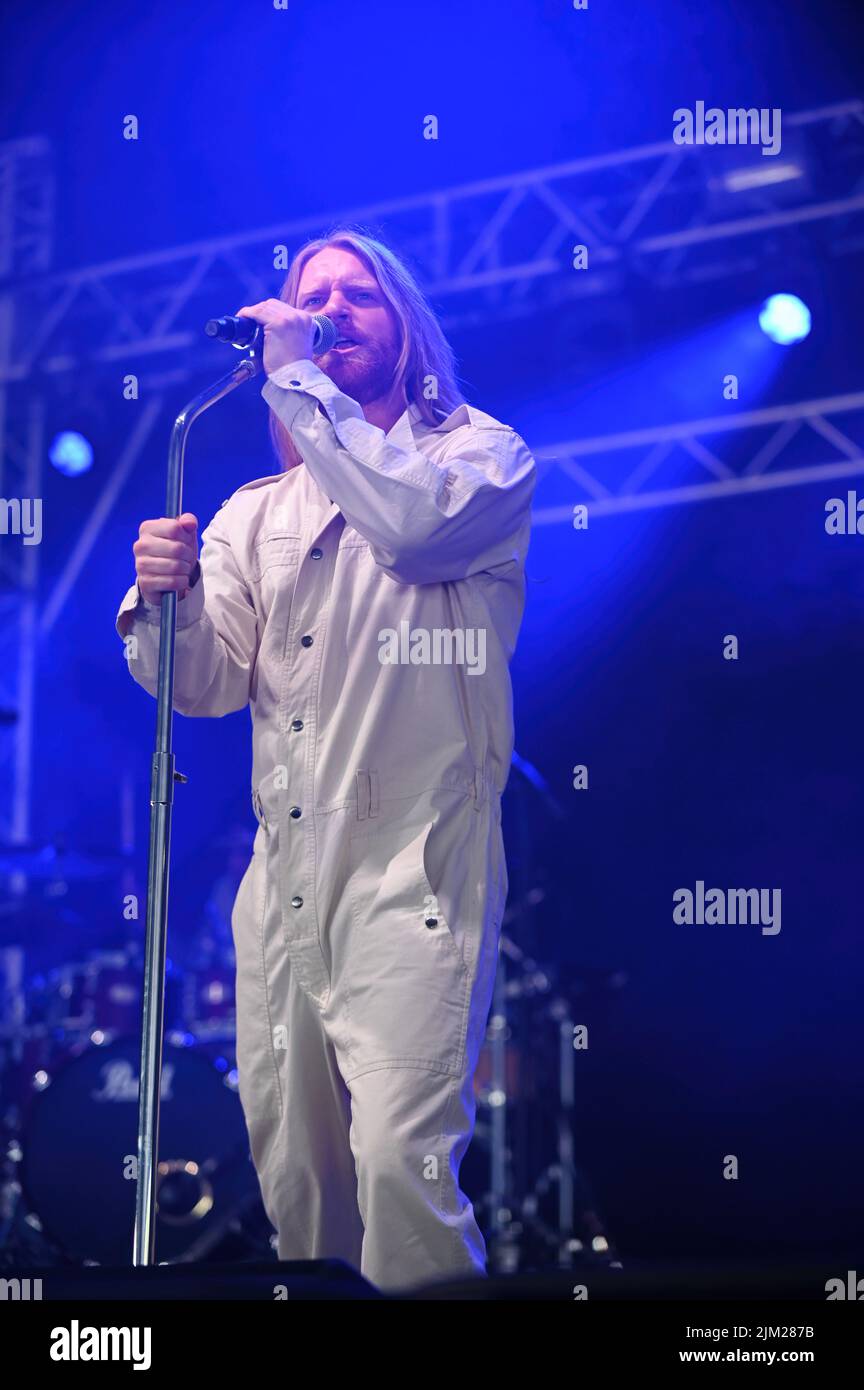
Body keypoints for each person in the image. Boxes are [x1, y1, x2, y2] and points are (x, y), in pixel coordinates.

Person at [115, 229, 536, 1292]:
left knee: (401, 1163)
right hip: (284, 892)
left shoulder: (479, 458)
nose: (331, 312)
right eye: (311, 298)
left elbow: (408, 532)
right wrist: (159, 602)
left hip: (416, 870)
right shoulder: (255, 514)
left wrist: (298, 373)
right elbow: (203, 685)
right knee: (303, 1191)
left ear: (408, 332)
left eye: (358, 296)